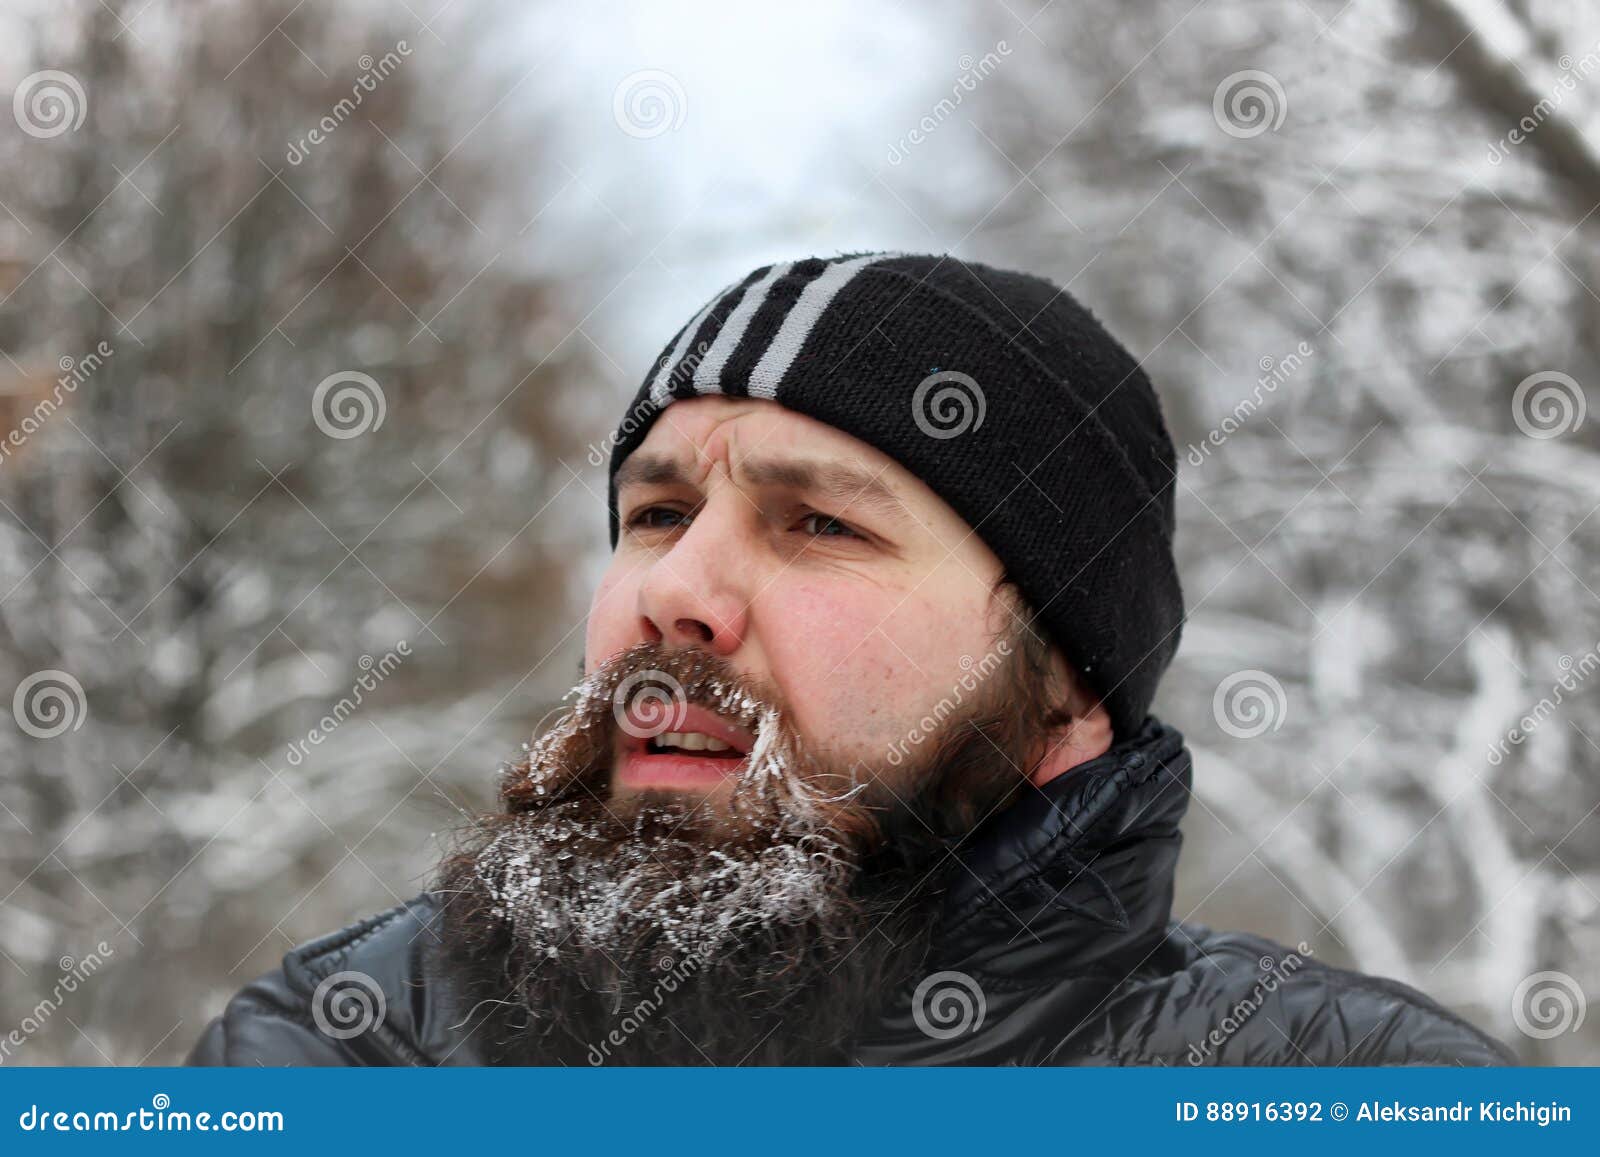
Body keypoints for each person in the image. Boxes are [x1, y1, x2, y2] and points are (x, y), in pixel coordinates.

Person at [188, 253, 1512, 1066]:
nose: (677, 595)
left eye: (816, 523)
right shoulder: (330, 1053)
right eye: (655, 514)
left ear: (1062, 679)